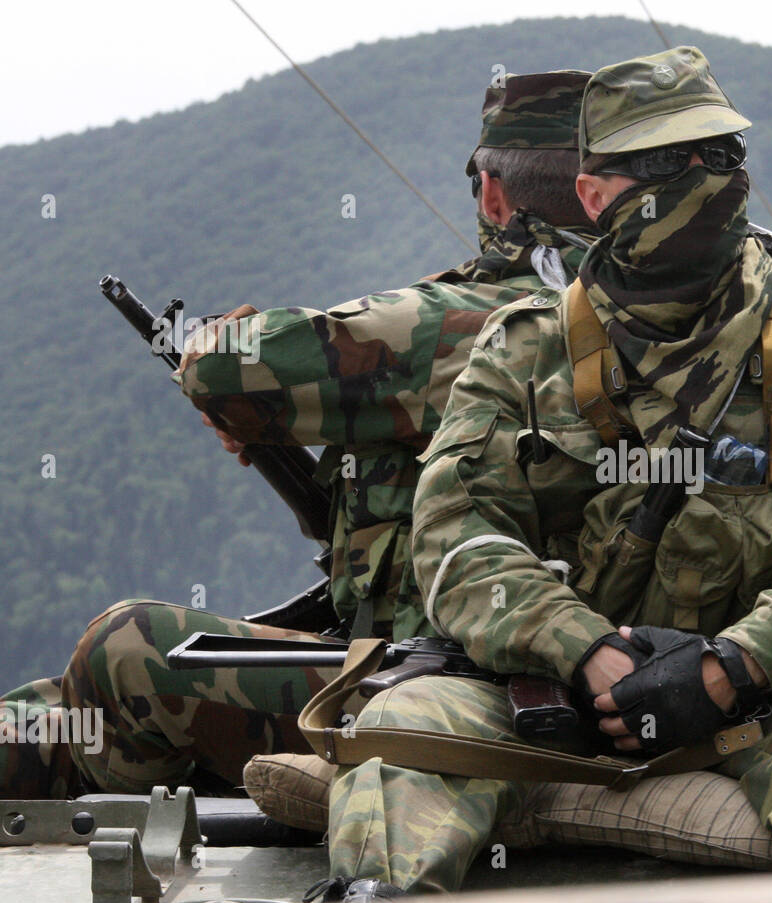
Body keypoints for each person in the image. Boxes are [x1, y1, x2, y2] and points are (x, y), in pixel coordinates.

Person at [323, 46, 772, 903]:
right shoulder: (525, 347)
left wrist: (736, 663)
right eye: (663, 165)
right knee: (400, 736)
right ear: (592, 196)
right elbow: (453, 532)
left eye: (722, 157)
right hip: (546, 693)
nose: (705, 179)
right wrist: (579, 647)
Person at [0, 71, 599, 799]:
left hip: (448, 685)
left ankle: (144, 850)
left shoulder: (487, 320)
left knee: (120, 653)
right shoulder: (638, 317)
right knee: (47, 713)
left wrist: (213, 346)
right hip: (527, 671)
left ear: (493, 195)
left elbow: (223, 369)